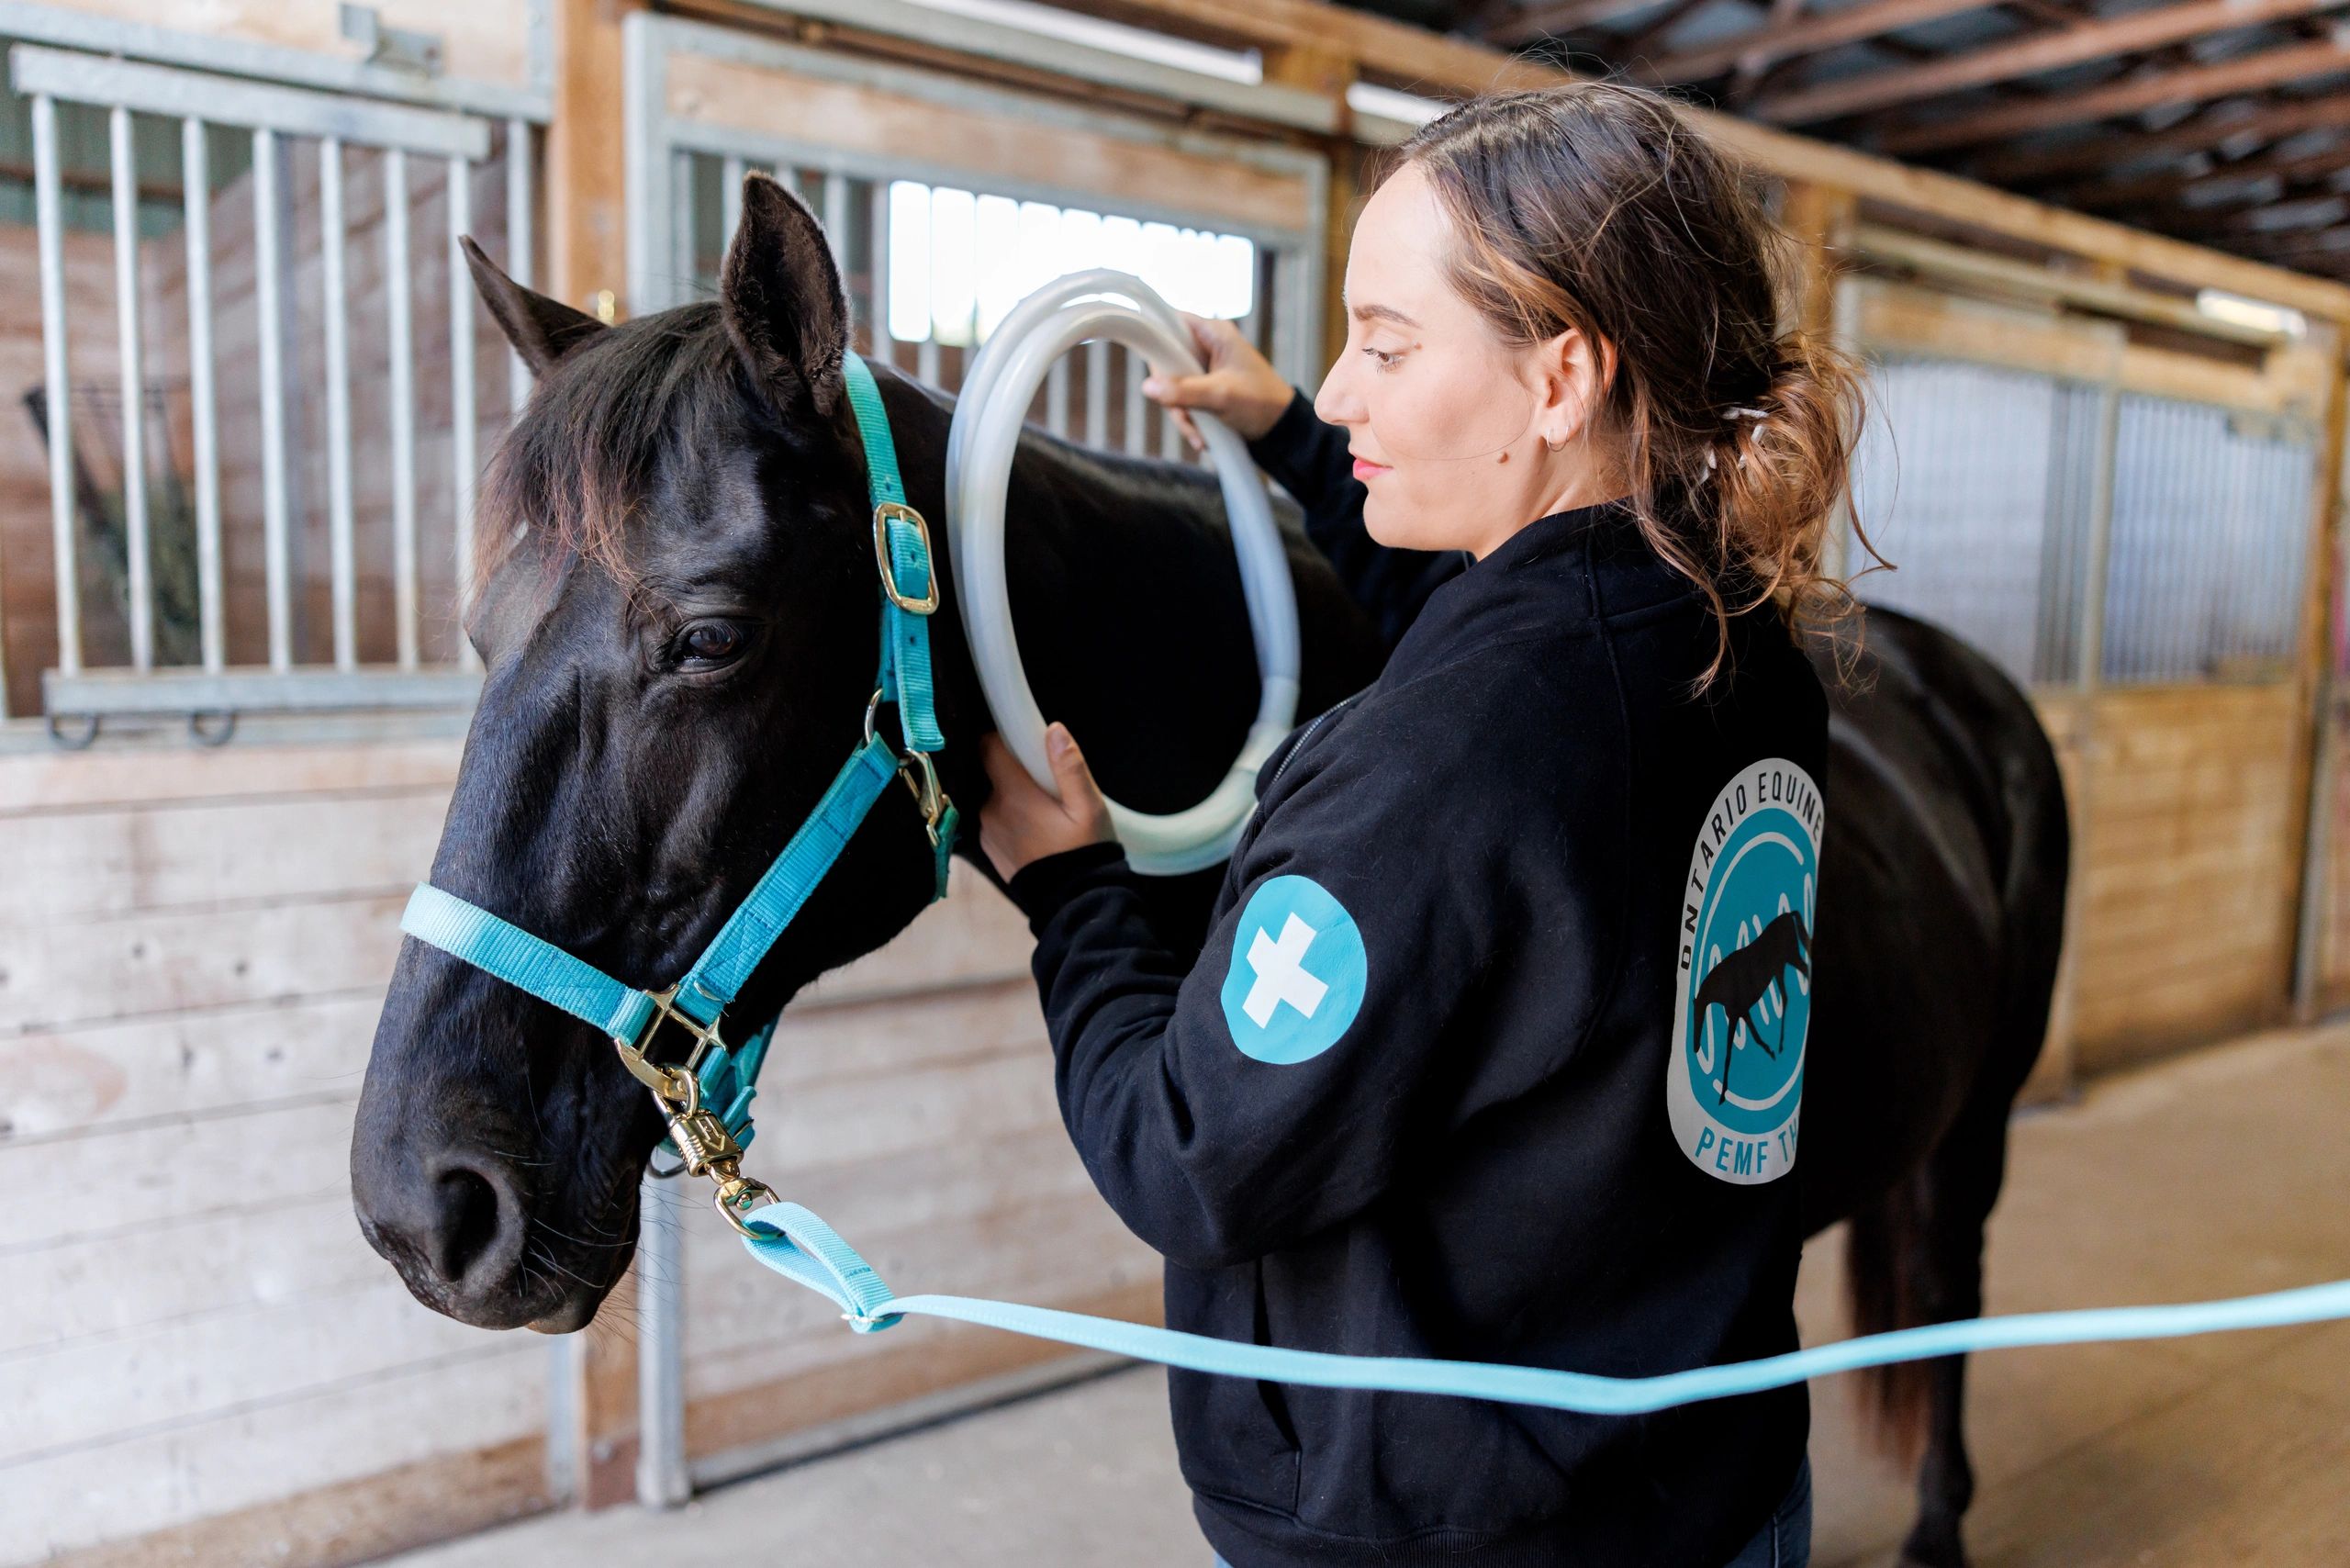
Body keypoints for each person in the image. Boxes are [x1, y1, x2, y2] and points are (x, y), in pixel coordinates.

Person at [975, 81, 1866, 1568]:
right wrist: (1283, 435)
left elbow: (1189, 1151)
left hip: (1466, 1538)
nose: (1338, 392)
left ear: (1563, 377)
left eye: (1386, 347)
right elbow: (1493, 620)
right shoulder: (1736, 633)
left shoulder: (1429, 776)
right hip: (1716, 1483)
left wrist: (1071, 895)